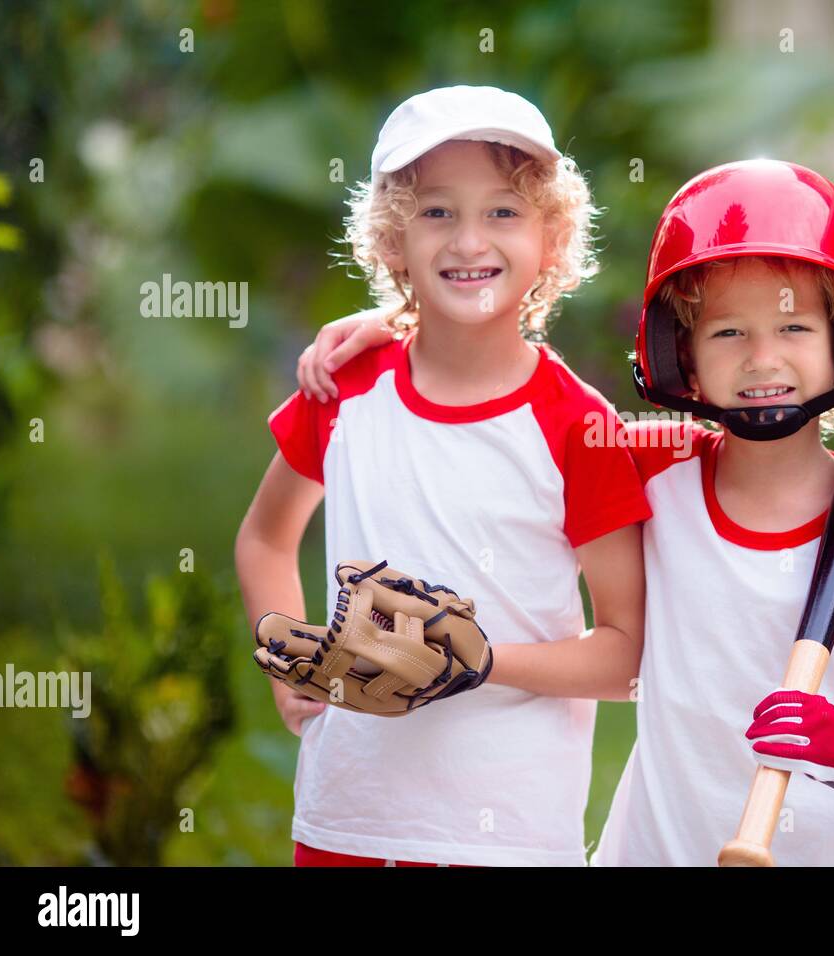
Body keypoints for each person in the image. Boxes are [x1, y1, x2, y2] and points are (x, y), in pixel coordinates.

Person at [298, 159, 834, 867]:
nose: (761, 358)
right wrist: (408, 318)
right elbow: (544, 413)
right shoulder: (655, 469)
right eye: (728, 334)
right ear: (678, 355)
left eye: (794, 328)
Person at [235, 85, 650, 868]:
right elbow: (264, 538)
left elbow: (626, 655)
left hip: (510, 835)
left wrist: (477, 661)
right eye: (435, 213)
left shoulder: (578, 425)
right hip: (346, 820)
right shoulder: (345, 389)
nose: (468, 241)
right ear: (390, 242)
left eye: (503, 211)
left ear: (552, 240)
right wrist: (286, 664)